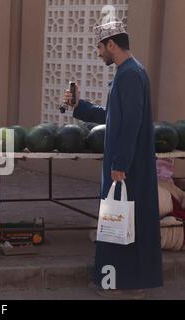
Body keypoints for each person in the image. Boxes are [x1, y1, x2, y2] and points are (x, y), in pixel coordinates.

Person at [64, 21, 162, 298]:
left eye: (99, 47)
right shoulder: (128, 72)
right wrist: (78, 106)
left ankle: (119, 283)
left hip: (126, 167)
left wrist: (120, 164)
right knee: (127, 223)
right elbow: (113, 116)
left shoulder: (130, 75)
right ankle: (132, 281)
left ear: (111, 44)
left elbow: (130, 124)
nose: (98, 53)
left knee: (119, 223)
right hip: (128, 164)